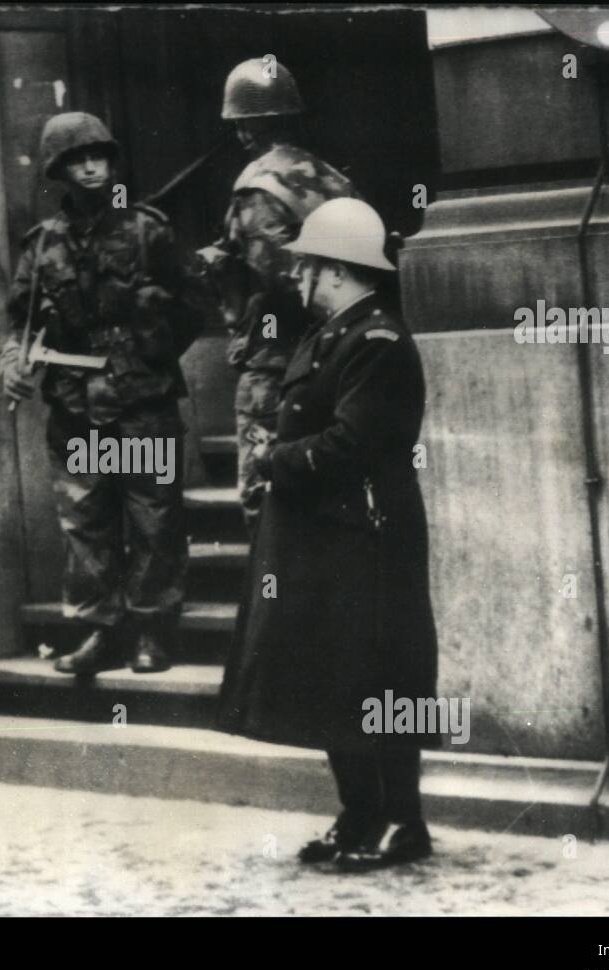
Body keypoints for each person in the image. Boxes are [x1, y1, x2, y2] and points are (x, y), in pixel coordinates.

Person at [218, 198, 438, 872]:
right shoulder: (328, 336)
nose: (300, 278)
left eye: (309, 266)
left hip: (366, 540)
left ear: (337, 271)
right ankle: (360, 811)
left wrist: (271, 461)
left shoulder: (378, 342)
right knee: (332, 678)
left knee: (382, 679)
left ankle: (402, 819)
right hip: (323, 541)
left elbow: (353, 442)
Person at [0, 111, 202, 675]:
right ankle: (100, 631)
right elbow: (20, 322)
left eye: (100, 157)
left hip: (140, 403)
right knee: (87, 520)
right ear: (59, 170)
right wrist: (14, 363)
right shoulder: (42, 248)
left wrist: (152, 344)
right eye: (78, 159)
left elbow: (192, 303)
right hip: (75, 405)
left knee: (152, 519)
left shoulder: (147, 230)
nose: (92, 167)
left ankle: (152, 631)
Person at [197, 56, 357, 530]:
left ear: (245, 124)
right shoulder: (331, 177)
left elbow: (274, 271)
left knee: (264, 491)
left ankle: (272, 597)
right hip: (339, 354)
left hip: (276, 360)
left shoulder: (257, 186)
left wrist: (222, 266)